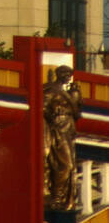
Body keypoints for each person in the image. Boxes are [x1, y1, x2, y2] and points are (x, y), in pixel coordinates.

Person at [42, 65, 82, 211]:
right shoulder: (52, 90)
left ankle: (61, 197)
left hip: (68, 130)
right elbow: (42, 107)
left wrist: (76, 97)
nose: (68, 76)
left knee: (69, 166)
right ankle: (57, 196)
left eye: (69, 73)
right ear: (58, 74)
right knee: (65, 165)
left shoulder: (70, 92)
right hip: (58, 132)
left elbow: (77, 115)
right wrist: (54, 115)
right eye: (64, 73)